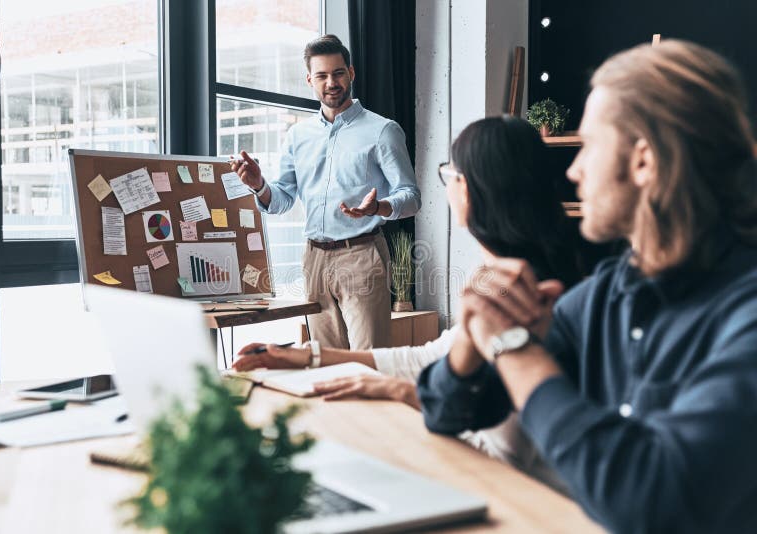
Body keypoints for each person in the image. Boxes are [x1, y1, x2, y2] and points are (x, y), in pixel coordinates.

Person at [418, 40, 757, 533]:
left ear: (643, 162)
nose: (573, 170)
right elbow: (444, 410)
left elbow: (651, 497)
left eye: (591, 145)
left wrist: (513, 345)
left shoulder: (745, 314)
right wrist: (475, 333)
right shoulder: (604, 294)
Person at [235, 116, 584, 487]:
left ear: (467, 190)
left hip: (520, 495)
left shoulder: (522, 293)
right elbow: (427, 358)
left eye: (448, 173)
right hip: (316, 256)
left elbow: (503, 456)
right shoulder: (506, 274)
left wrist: (398, 392)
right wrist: (309, 356)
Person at [230, 34, 420, 351]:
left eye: (338, 73)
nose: (331, 83)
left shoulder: (383, 130)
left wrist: (378, 207)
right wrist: (259, 185)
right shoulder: (297, 136)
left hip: (361, 254)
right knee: (326, 357)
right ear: (310, 80)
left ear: (351, 73)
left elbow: (411, 197)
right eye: (322, 76)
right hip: (313, 258)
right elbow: (282, 200)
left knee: (368, 358)